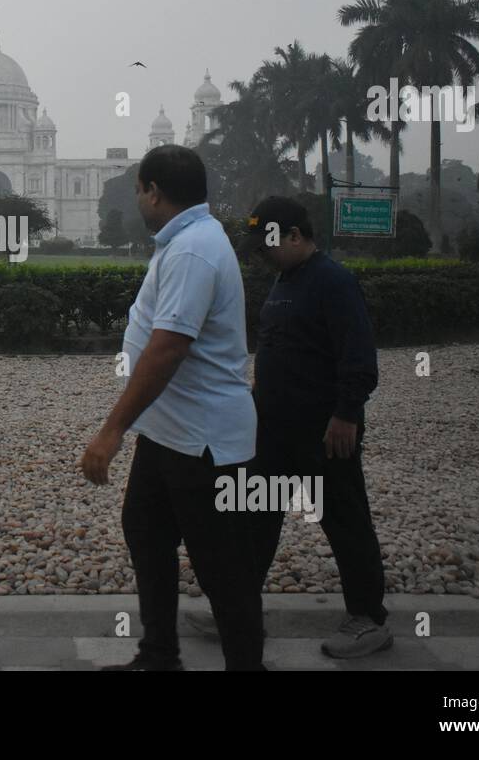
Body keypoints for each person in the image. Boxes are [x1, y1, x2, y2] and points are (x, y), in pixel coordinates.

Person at [81, 144, 263, 671]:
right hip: (170, 435)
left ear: (154, 192)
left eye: (138, 189)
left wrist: (112, 430)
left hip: (204, 443)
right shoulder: (187, 240)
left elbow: (168, 348)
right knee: (145, 531)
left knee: (223, 567)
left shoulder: (191, 250)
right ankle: (159, 654)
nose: (137, 198)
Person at [236, 196, 390, 658]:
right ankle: (239, 611)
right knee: (255, 521)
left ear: (296, 236)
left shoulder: (333, 282)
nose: (261, 256)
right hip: (274, 431)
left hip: (324, 432)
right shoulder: (285, 279)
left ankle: (368, 619)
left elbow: (359, 355)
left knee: (344, 521)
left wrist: (346, 414)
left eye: (267, 245)